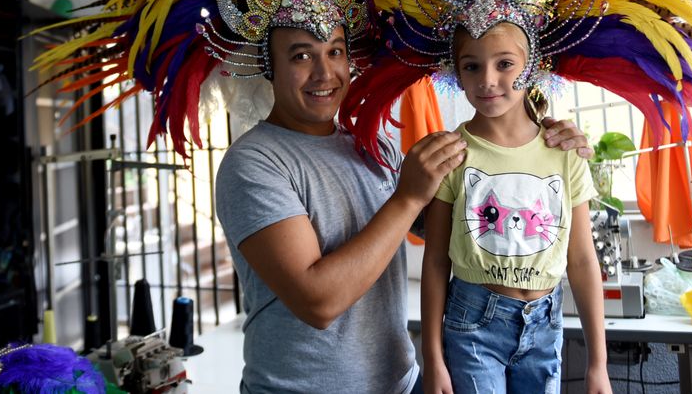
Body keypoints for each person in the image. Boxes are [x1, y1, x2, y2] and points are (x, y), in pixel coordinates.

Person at [215, 23, 591, 394]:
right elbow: (318, 302)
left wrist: (532, 155)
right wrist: (408, 197)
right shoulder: (252, 163)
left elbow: (459, 231)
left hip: (401, 382)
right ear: (269, 64)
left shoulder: (371, 147)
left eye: (335, 51)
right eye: (301, 56)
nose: (324, 72)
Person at [420, 22, 609, 394]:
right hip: (472, 326)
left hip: (546, 325)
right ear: (456, 73)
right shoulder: (452, 154)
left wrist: (598, 365)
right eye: (472, 66)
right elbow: (436, 261)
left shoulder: (565, 153)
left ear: (533, 64)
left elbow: (584, 259)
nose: (487, 80)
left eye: (504, 63)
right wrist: (432, 358)